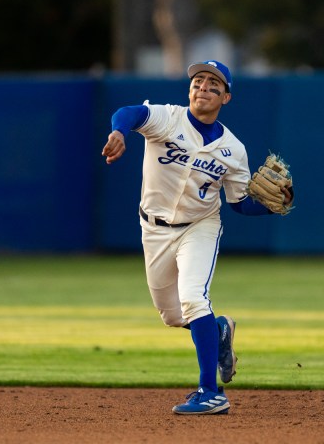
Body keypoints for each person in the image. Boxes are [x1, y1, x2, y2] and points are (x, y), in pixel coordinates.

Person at [101, 60, 293, 415]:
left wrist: (269, 206)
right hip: (154, 230)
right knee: (173, 316)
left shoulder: (233, 150)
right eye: (198, 81)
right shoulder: (167, 118)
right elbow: (129, 112)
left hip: (200, 227)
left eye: (213, 84)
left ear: (226, 97)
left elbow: (239, 204)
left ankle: (211, 391)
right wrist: (118, 133)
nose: (203, 87)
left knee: (193, 298)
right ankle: (219, 331)